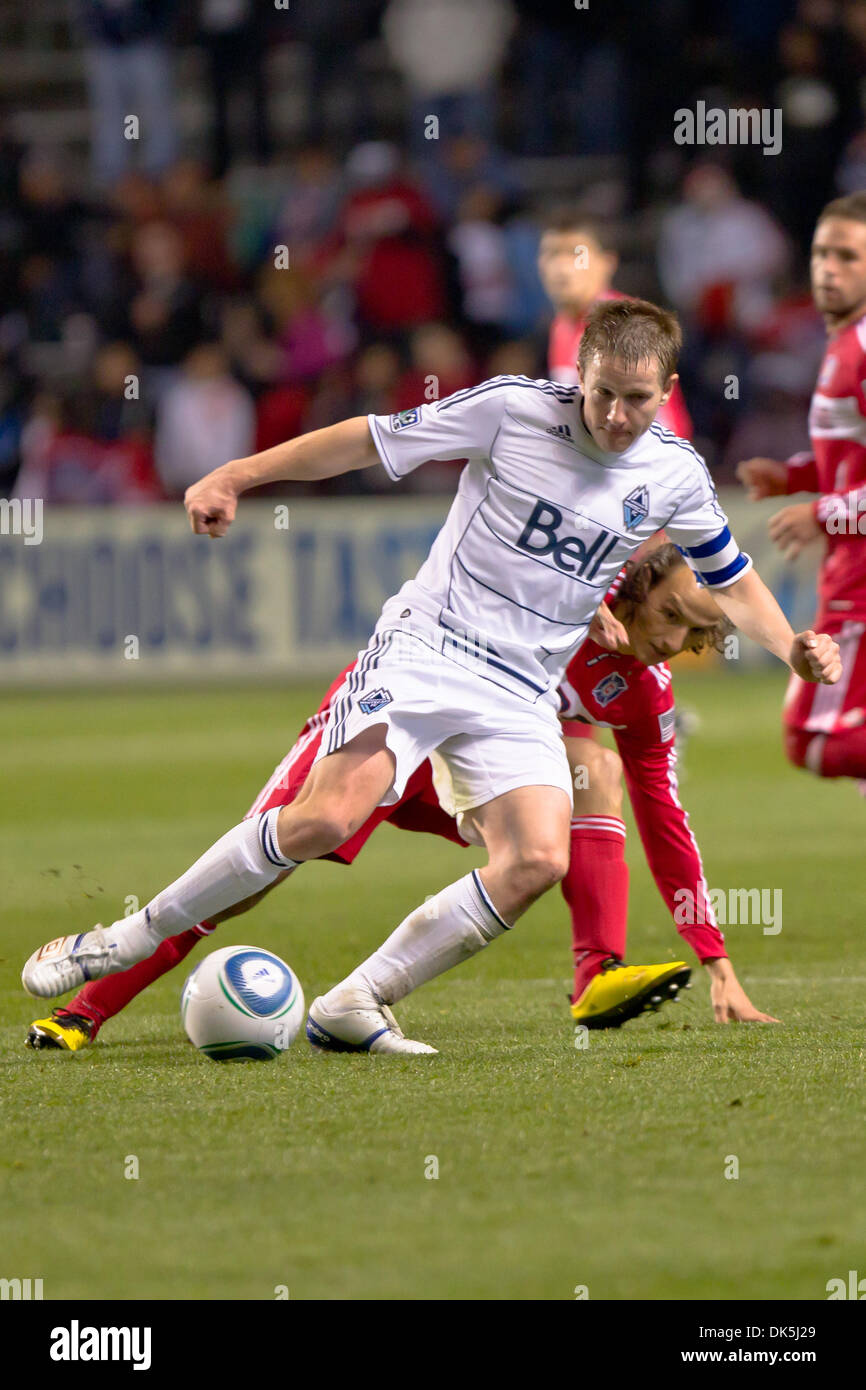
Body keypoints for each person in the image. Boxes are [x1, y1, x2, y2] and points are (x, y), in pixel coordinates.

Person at [22, 298, 840, 1056]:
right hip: (429, 647)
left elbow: (730, 578)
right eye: (603, 396)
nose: (618, 417)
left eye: (637, 399)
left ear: (665, 391)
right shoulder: (513, 409)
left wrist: (792, 646)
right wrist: (237, 475)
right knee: (323, 822)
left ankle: (355, 1004)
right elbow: (367, 438)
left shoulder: (676, 474)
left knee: (537, 859)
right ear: (578, 377)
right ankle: (121, 941)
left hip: (520, 689)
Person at [27, 542, 773, 1051]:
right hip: (397, 716)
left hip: (472, 766)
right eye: (670, 616)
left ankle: (592, 974)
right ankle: (86, 1003)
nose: (675, 641)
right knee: (272, 862)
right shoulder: (556, 599)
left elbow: (665, 819)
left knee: (589, 784)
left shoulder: (643, 691)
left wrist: (715, 957)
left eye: (697, 631)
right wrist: (581, 601)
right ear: (632, 589)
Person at [737, 193, 866, 785]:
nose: (828, 269)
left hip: (859, 584)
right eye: (821, 254)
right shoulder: (841, 346)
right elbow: (850, 459)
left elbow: (845, 495)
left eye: (847, 256)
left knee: (812, 737)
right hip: (848, 574)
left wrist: (824, 513)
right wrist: (793, 477)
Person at [538, 208, 693, 438]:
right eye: (552, 253)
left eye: (576, 253)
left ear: (607, 262)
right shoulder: (561, 327)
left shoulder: (626, 323)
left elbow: (658, 426)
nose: (562, 267)